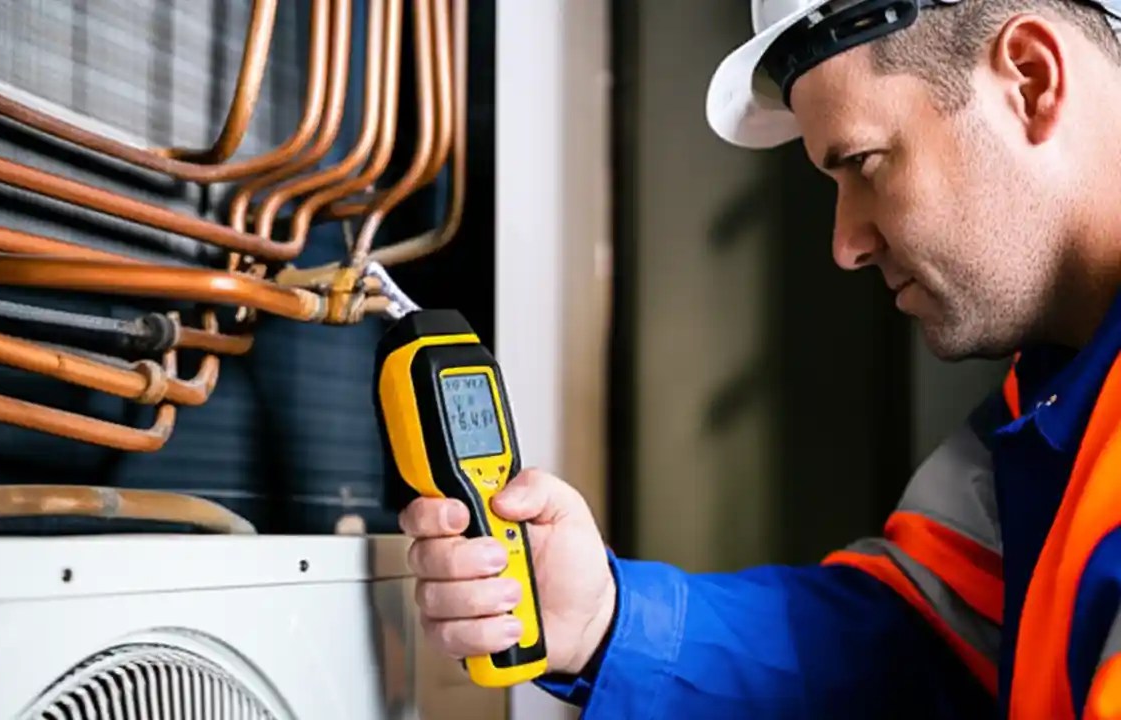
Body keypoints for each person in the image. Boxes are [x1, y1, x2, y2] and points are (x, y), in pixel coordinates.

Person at [399, 0, 1121, 717]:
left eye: (865, 163)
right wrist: (605, 621)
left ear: (1029, 80)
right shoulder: (1056, 399)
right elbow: (921, 643)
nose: (846, 245)